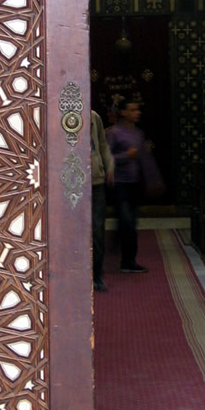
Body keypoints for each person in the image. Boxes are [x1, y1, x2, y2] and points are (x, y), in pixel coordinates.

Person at [106, 95, 154, 273]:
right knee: (127, 221)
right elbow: (107, 158)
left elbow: (144, 159)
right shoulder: (114, 133)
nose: (137, 113)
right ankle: (128, 261)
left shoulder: (139, 134)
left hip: (135, 183)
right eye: (133, 110)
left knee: (131, 222)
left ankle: (127, 256)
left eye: (138, 109)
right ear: (123, 112)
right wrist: (126, 156)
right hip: (119, 183)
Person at [91, 109, 114, 292]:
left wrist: (109, 166)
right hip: (70, 183)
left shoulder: (93, 117)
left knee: (97, 229)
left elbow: (103, 145)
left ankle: (97, 275)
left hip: (95, 181)